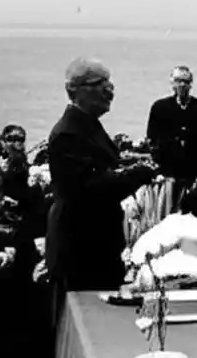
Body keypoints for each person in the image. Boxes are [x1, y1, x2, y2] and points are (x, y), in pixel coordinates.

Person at [46, 58, 159, 323]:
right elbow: (88, 188)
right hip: (80, 246)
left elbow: (103, 165)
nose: (110, 90)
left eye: (109, 82)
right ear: (76, 90)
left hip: (98, 241)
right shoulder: (68, 133)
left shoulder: (88, 125)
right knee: (84, 321)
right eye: (100, 83)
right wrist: (136, 175)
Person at [145, 66, 197, 206]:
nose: (182, 85)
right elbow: (152, 139)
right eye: (178, 81)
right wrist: (158, 168)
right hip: (168, 170)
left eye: (186, 81)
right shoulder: (160, 107)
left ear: (191, 84)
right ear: (172, 83)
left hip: (195, 170)